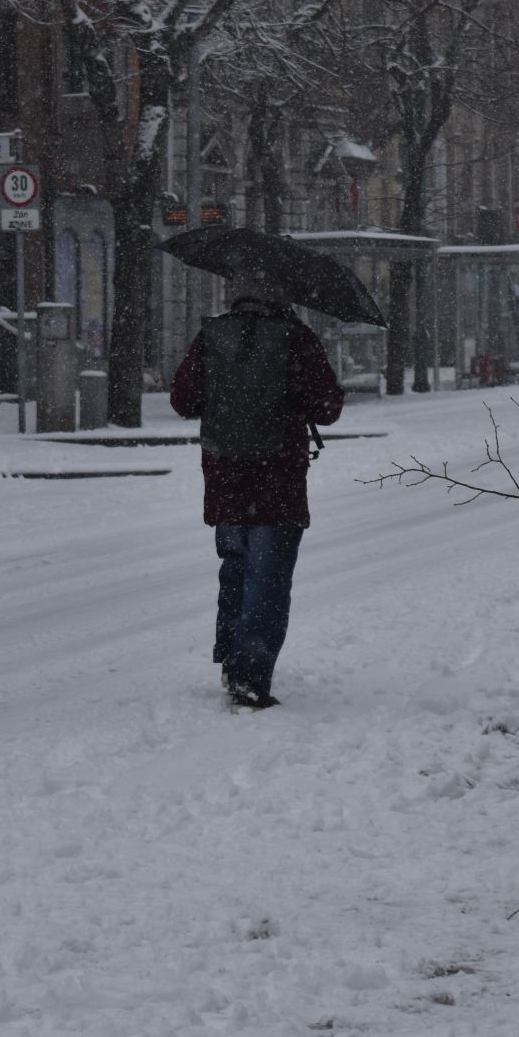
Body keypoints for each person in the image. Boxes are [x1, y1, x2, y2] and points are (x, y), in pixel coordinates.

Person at [170, 273, 344, 710]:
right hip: (278, 482)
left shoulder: (212, 334)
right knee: (267, 581)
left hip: (226, 480)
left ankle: (231, 659)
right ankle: (250, 678)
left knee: (235, 570)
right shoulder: (296, 338)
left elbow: (182, 400)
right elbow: (329, 409)